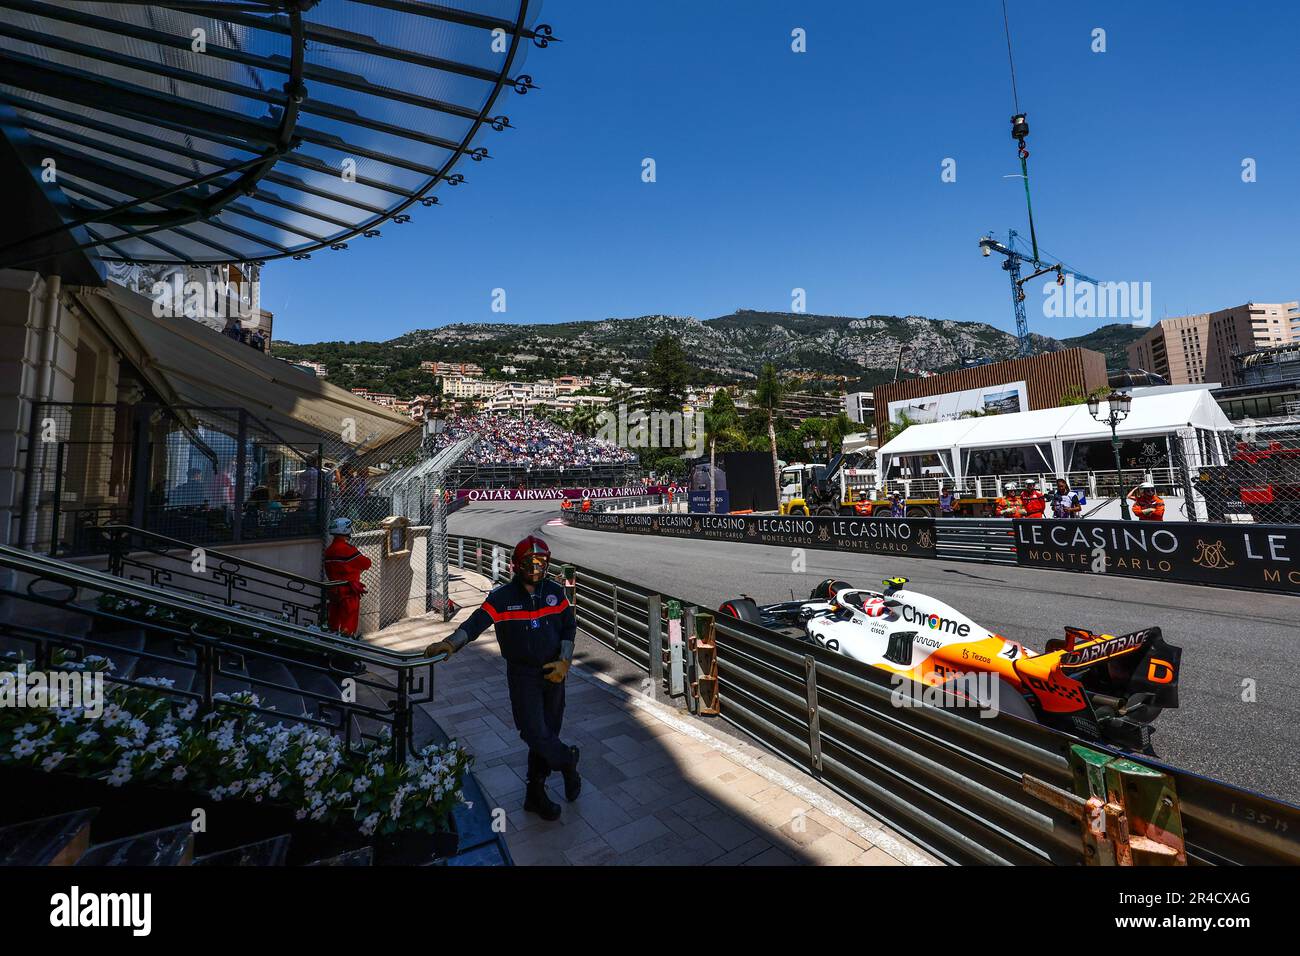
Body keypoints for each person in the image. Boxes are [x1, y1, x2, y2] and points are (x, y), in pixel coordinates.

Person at [425, 536, 579, 821]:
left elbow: (569, 627)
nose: (535, 568)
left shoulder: (556, 593)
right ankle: (568, 761)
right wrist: (450, 642)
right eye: (529, 563)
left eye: (541, 562)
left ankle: (535, 792)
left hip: (555, 672)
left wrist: (565, 661)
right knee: (533, 732)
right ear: (515, 565)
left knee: (548, 732)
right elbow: (475, 623)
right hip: (523, 675)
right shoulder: (501, 598)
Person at [323, 517, 371, 636]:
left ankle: (332, 641)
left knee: (334, 620)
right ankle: (346, 645)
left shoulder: (329, 550)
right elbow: (366, 563)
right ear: (345, 530)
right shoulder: (348, 550)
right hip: (349, 590)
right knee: (348, 622)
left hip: (334, 589)